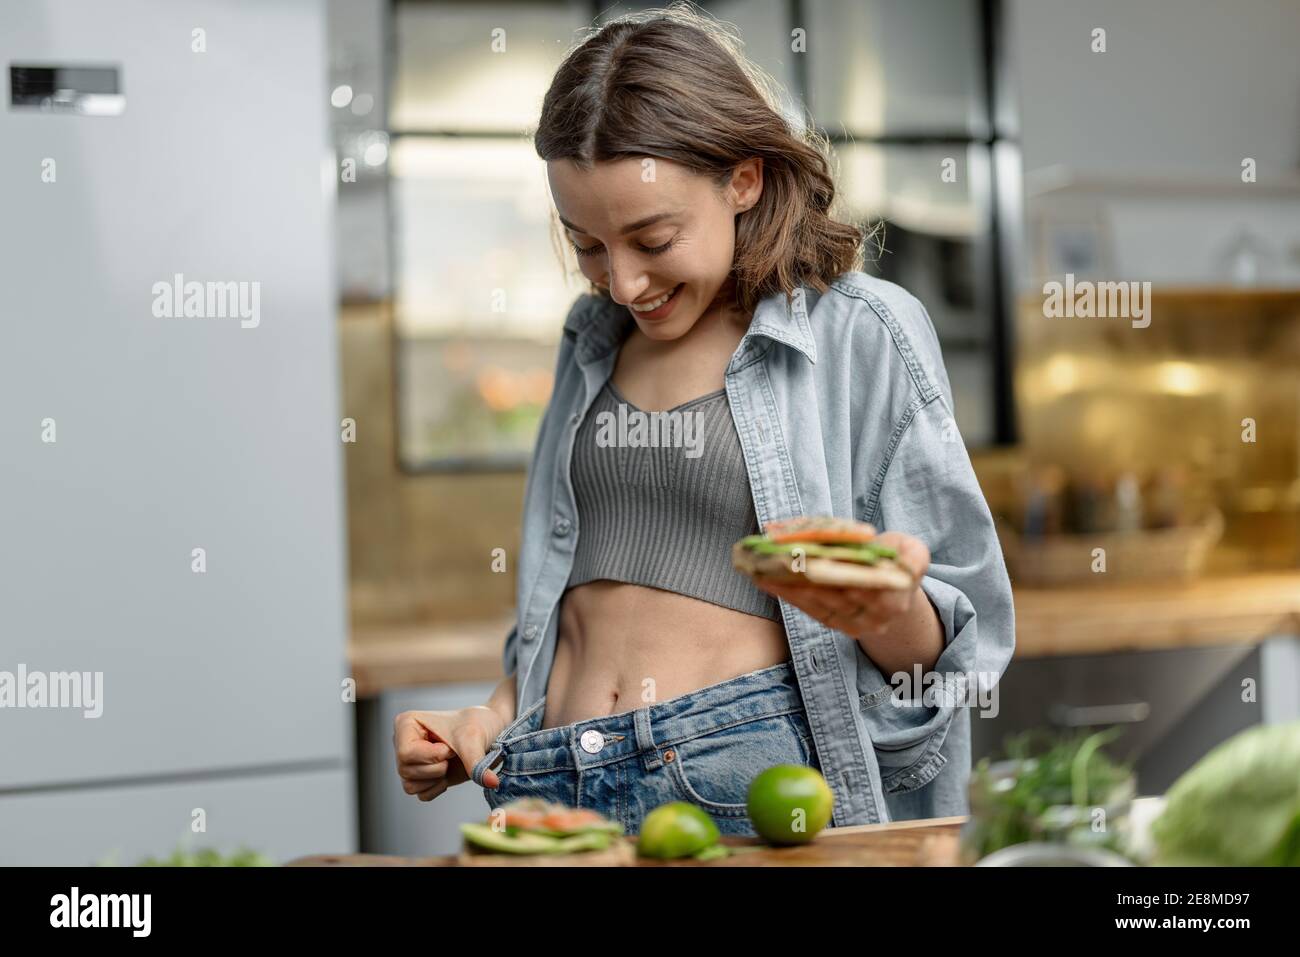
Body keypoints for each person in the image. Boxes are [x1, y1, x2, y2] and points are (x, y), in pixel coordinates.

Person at [394, 3, 1014, 834]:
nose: (621, 282)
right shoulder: (590, 343)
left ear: (743, 180)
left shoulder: (861, 333)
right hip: (549, 781)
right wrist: (486, 719)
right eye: (586, 243)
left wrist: (887, 608)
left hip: (740, 783)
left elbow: (962, 656)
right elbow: (561, 607)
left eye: (652, 238)